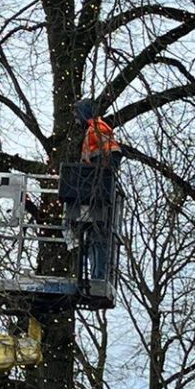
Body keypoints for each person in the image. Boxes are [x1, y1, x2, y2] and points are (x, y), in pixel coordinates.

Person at [71, 98, 121, 282]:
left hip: (99, 190)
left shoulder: (97, 129)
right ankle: (94, 275)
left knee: (96, 235)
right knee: (92, 234)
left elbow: (113, 156)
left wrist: (99, 174)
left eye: (77, 113)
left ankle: (97, 276)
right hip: (94, 189)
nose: (76, 118)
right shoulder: (92, 130)